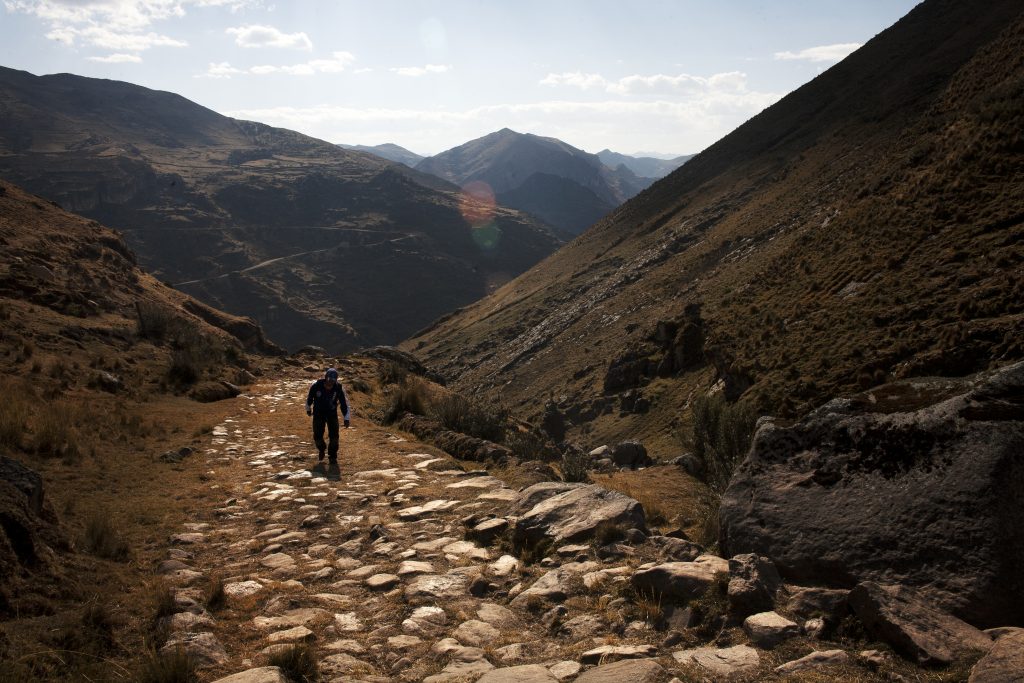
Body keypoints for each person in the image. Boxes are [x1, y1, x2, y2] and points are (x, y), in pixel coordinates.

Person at [305, 367, 350, 464]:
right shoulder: (316, 386)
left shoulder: (339, 388)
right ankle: (321, 449)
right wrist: (308, 409)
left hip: (331, 414)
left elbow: (344, 403)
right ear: (326, 378)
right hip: (318, 413)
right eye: (329, 380)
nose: (330, 383)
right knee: (317, 436)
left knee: (334, 436)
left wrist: (346, 418)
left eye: (333, 381)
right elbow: (309, 399)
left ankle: (332, 456)